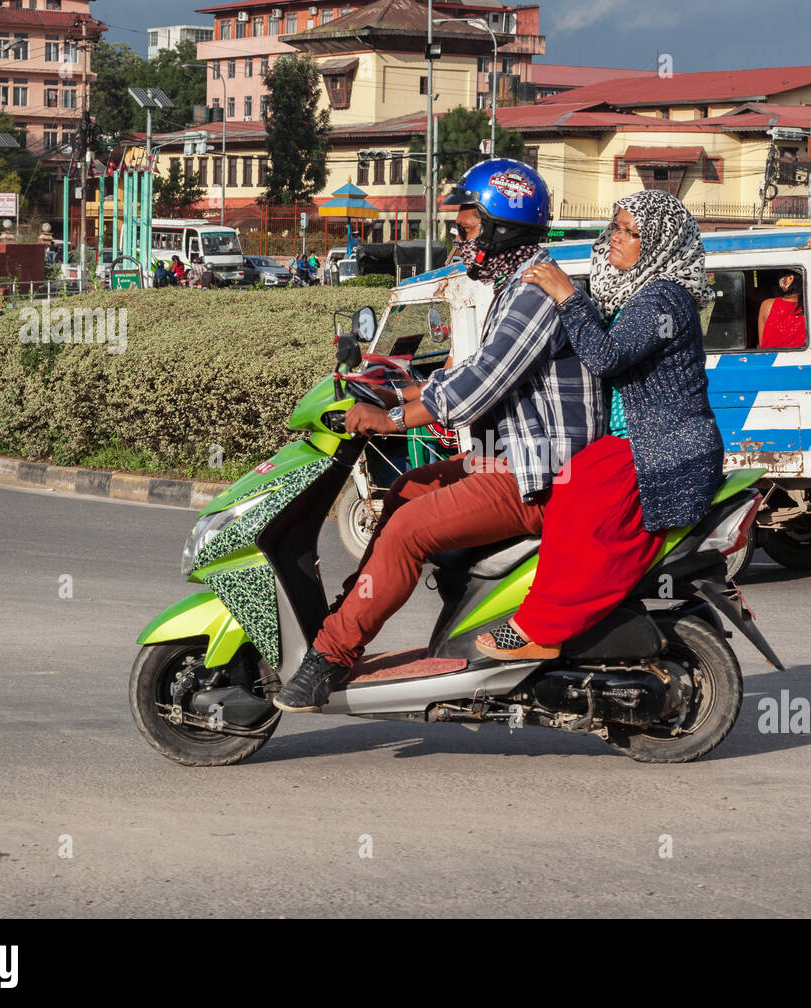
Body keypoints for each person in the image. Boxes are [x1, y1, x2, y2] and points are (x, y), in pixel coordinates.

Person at [272, 158, 601, 713]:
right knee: (406, 490)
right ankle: (389, 615)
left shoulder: (535, 294)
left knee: (406, 531)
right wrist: (394, 392)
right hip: (506, 460)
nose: (457, 236)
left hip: (534, 475)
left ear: (501, 226)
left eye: (466, 225)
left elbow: (478, 387)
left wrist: (394, 419)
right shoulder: (516, 283)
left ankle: (330, 656)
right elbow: (468, 372)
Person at [474, 190, 724, 660]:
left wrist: (568, 296)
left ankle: (542, 628)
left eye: (632, 233)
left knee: (578, 502)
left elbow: (607, 357)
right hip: (639, 439)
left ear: (659, 245)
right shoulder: (636, 293)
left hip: (665, 445)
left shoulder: (663, 299)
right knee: (568, 487)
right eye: (617, 226)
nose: (617, 238)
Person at [756, 270, 806, 349]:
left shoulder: (767, 305)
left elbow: (762, 346)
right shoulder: (810, 306)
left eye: (782, 275)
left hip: (772, 360)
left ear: (790, 279)